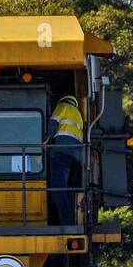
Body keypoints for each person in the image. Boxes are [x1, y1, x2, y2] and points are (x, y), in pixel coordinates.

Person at [46, 94, 84, 224]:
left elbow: (53, 123)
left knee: (58, 189)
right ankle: (72, 219)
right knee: (69, 190)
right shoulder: (78, 115)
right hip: (76, 157)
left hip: (61, 151)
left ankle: (66, 220)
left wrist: (46, 140)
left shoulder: (63, 107)